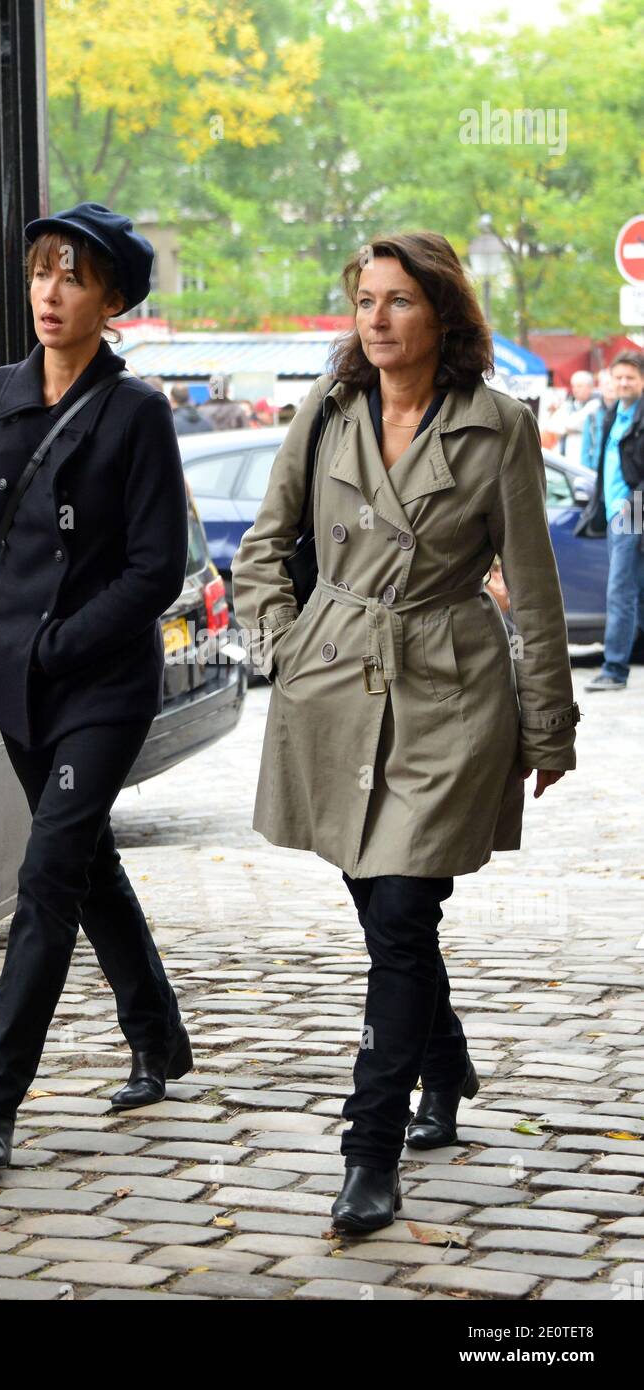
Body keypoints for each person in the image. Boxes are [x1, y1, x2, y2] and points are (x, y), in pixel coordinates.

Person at [231, 231, 579, 1235]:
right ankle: (445, 1055)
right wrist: (282, 643)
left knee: (398, 918)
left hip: (447, 693)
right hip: (332, 682)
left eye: (397, 301)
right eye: (363, 300)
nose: (375, 319)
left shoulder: (497, 425)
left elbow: (536, 585)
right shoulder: (328, 410)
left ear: (440, 314)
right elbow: (263, 546)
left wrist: (545, 725)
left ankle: (366, 1153)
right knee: (378, 907)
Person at [0, 202, 192, 1170]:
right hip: (13, 686)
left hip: (103, 686)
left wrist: (66, 639)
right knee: (84, 863)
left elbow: (156, 570)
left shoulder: (136, 412)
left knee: (44, 879)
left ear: (111, 300)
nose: (49, 291)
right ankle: (158, 1036)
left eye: (73, 277)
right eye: (41, 271)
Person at [576, 350, 644, 692]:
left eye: (630, 377)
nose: (623, 383)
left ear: (642, 381)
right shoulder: (611, 414)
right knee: (636, 590)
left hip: (633, 510)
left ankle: (615, 669)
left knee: (620, 590)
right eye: (618, 377)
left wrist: (627, 508)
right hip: (615, 510)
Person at [546, 370, 598, 465]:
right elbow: (551, 426)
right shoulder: (568, 404)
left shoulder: (596, 405)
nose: (575, 389)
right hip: (564, 458)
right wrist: (568, 427)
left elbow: (574, 423)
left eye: (579, 386)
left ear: (590, 387)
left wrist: (565, 425)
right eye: (573, 386)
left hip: (583, 461)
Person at [580, 368, 618, 472]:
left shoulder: (625, 413)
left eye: (613, 383)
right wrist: (586, 473)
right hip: (595, 472)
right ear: (600, 387)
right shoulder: (593, 414)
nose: (610, 387)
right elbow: (585, 449)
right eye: (606, 383)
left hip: (617, 473)